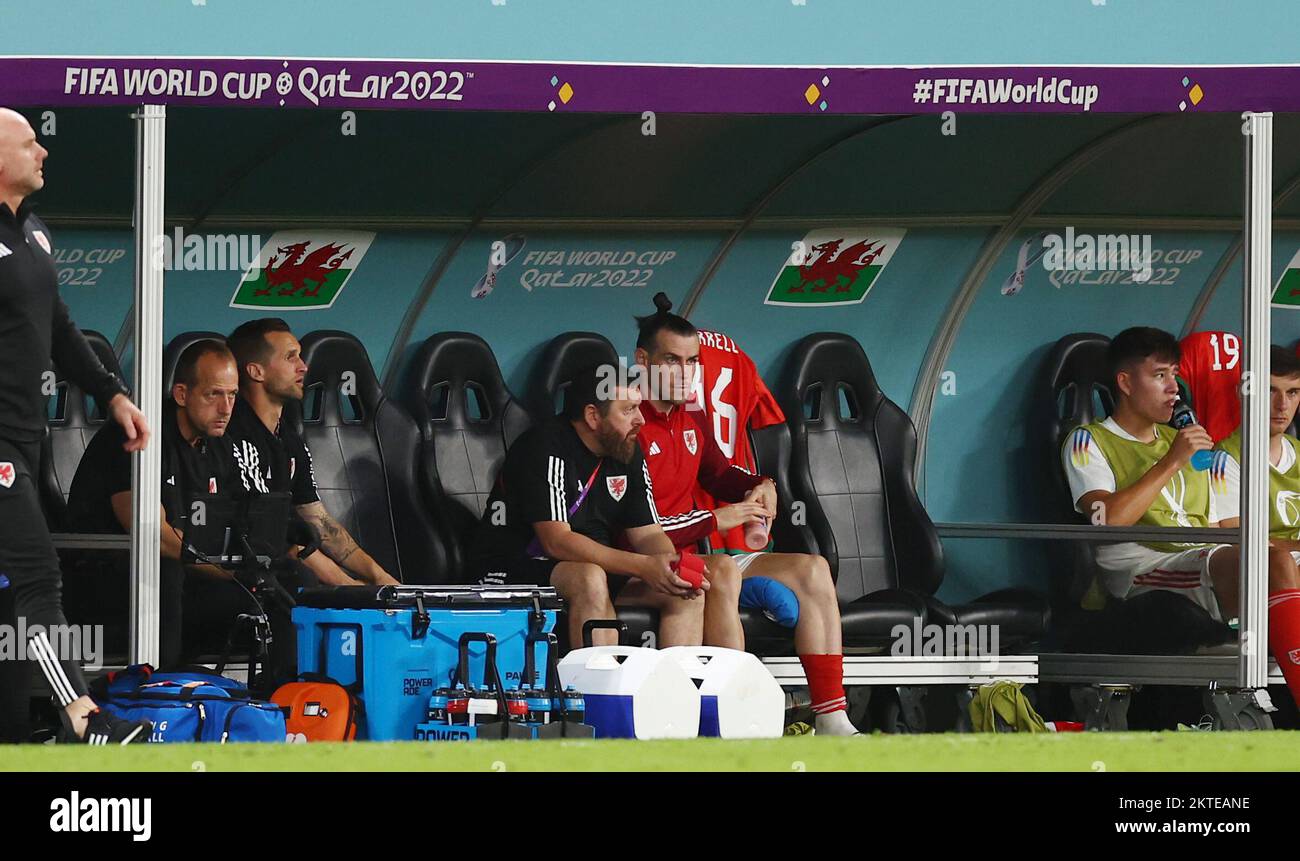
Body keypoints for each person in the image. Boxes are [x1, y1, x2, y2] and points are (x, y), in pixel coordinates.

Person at [631, 300, 859, 735]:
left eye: (692, 362)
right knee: (718, 569)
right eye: (671, 361)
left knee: (812, 569)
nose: (684, 373)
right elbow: (638, 528)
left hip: (695, 555)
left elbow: (720, 474)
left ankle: (832, 716)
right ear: (642, 361)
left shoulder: (691, 417)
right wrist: (716, 519)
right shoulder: (626, 423)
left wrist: (760, 484)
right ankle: (722, 718)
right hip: (646, 563)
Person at [0, 107, 151, 744]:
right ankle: (84, 716)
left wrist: (114, 395)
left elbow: (60, 329)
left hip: (23, 443)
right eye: (30, 142)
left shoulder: (32, 233)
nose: (44, 152)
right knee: (36, 577)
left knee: (10, 597)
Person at [67, 340, 298, 681]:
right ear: (181, 394)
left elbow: (240, 517)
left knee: (290, 580)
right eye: (213, 395)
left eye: (233, 395)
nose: (226, 408)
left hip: (188, 578)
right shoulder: (137, 435)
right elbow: (149, 534)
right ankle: (160, 697)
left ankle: (281, 706)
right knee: (167, 570)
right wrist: (231, 572)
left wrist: (282, 539)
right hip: (106, 579)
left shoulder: (219, 442)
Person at [1063, 327, 1295, 625]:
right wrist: (1171, 462)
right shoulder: (1088, 441)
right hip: (1142, 564)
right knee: (1270, 565)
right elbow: (1105, 520)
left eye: (1174, 374)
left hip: (1200, 553)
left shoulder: (1187, 441)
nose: (1174, 388)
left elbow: (1217, 528)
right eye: (1160, 376)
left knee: (1277, 562)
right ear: (1126, 383)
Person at [469, 364, 707, 648]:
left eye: (639, 407)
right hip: (510, 569)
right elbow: (557, 542)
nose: (641, 419)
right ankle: (597, 690)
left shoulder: (625, 448)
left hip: (592, 567)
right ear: (593, 416)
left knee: (684, 590)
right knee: (589, 577)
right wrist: (643, 566)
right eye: (628, 410)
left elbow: (648, 534)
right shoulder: (545, 445)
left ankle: (681, 687)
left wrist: (668, 568)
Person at [224, 318, 398, 587]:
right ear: (256, 372)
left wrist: (383, 580)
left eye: (301, 357)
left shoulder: (288, 440)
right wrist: (350, 587)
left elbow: (317, 518)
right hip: (243, 579)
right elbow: (277, 538)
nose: (303, 366)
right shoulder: (234, 434)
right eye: (290, 357)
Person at [1211, 345, 1300, 707]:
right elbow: (1238, 541)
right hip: (1255, 586)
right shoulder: (1224, 459)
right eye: (1270, 391)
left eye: (1292, 392)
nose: (1282, 405)